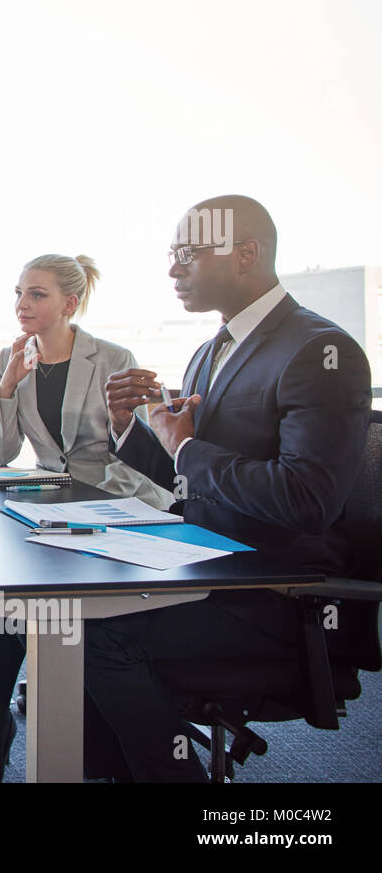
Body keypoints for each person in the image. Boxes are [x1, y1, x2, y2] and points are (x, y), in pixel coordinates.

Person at [91, 195, 372, 781]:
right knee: (70, 608)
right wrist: (133, 430)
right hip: (204, 569)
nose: (173, 269)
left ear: (246, 255)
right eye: (173, 254)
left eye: (187, 254)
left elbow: (308, 500)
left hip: (274, 597)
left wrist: (188, 446)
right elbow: (189, 477)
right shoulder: (209, 351)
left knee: (94, 639)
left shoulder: (321, 352)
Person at [0, 253, 170, 782]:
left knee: (67, 606)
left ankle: (87, 719)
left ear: (70, 303)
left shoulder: (112, 357)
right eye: (18, 293)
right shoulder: (11, 356)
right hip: (51, 500)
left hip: (114, 498)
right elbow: (0, 450)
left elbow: (139, 449)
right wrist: (8, 386)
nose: (22, 304)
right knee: (3, 597)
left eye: (36, 294)